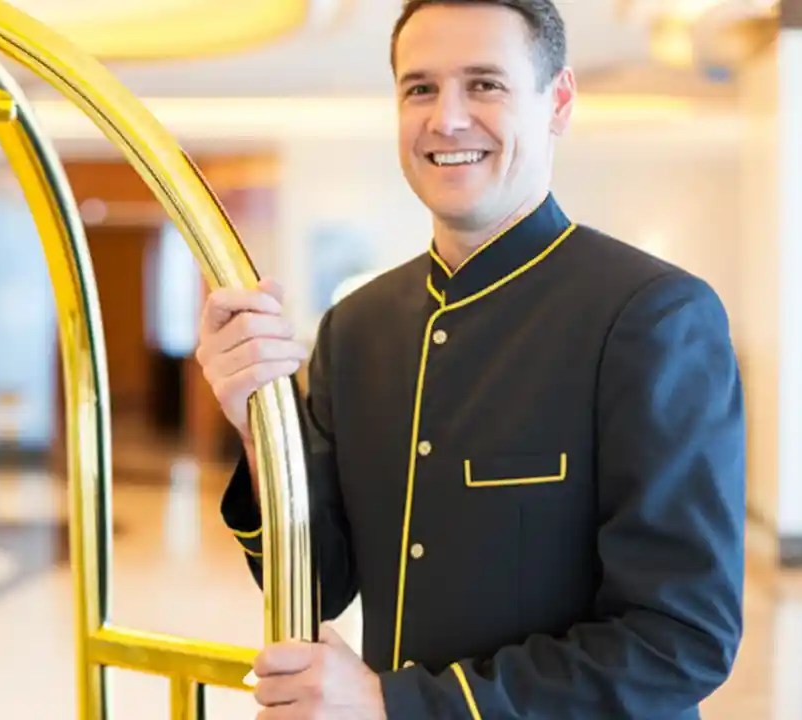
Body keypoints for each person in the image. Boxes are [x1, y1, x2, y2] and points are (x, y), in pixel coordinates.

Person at [194, 0, 746, 717]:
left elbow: (680, 638)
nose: (447, 119)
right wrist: (256, 425)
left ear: (559, 103)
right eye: (419, 88)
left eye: (484, 84)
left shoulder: (652, 315)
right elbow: (320, 583)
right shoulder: (355, 328)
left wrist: (397, 704)